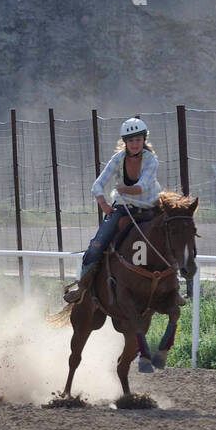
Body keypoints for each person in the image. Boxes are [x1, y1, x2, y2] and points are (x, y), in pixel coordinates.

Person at [63, 117, 162, 304]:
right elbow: (97, 185)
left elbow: (141, 187)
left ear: (144, 140)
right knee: (96, 245)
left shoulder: (151, 161)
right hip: (124, 208)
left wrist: (122, 189)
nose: (135, 144)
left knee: (172, 232)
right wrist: (104, 205)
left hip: (150, 209)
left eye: (138, 139)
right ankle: (82, 287)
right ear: (125, 142)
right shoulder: (117, 160)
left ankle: (175, 285)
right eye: (131, 140)